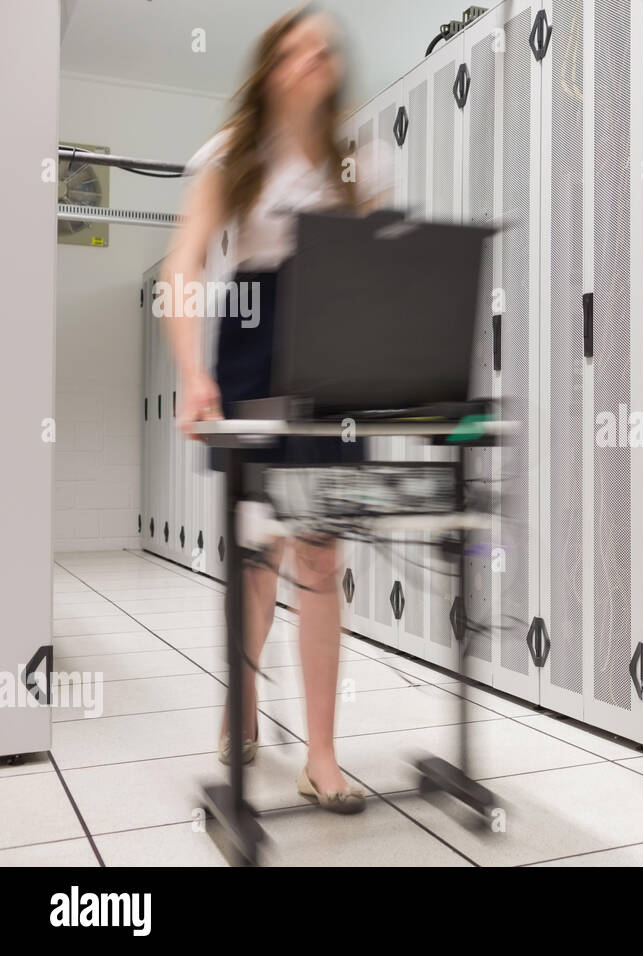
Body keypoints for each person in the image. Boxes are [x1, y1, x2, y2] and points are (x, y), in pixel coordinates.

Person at [162, 4, 369, 814]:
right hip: (252, 342)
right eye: (294, 51)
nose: (310, 63)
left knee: (320, 555)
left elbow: (380, 261)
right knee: (258, 556)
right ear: (268, 67)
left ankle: (321, 753)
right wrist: (189, 370)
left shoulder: (351, 159)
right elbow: (183, 267)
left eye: (322, 52)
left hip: (334, 353)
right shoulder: (229, 157)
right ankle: (242, 703)